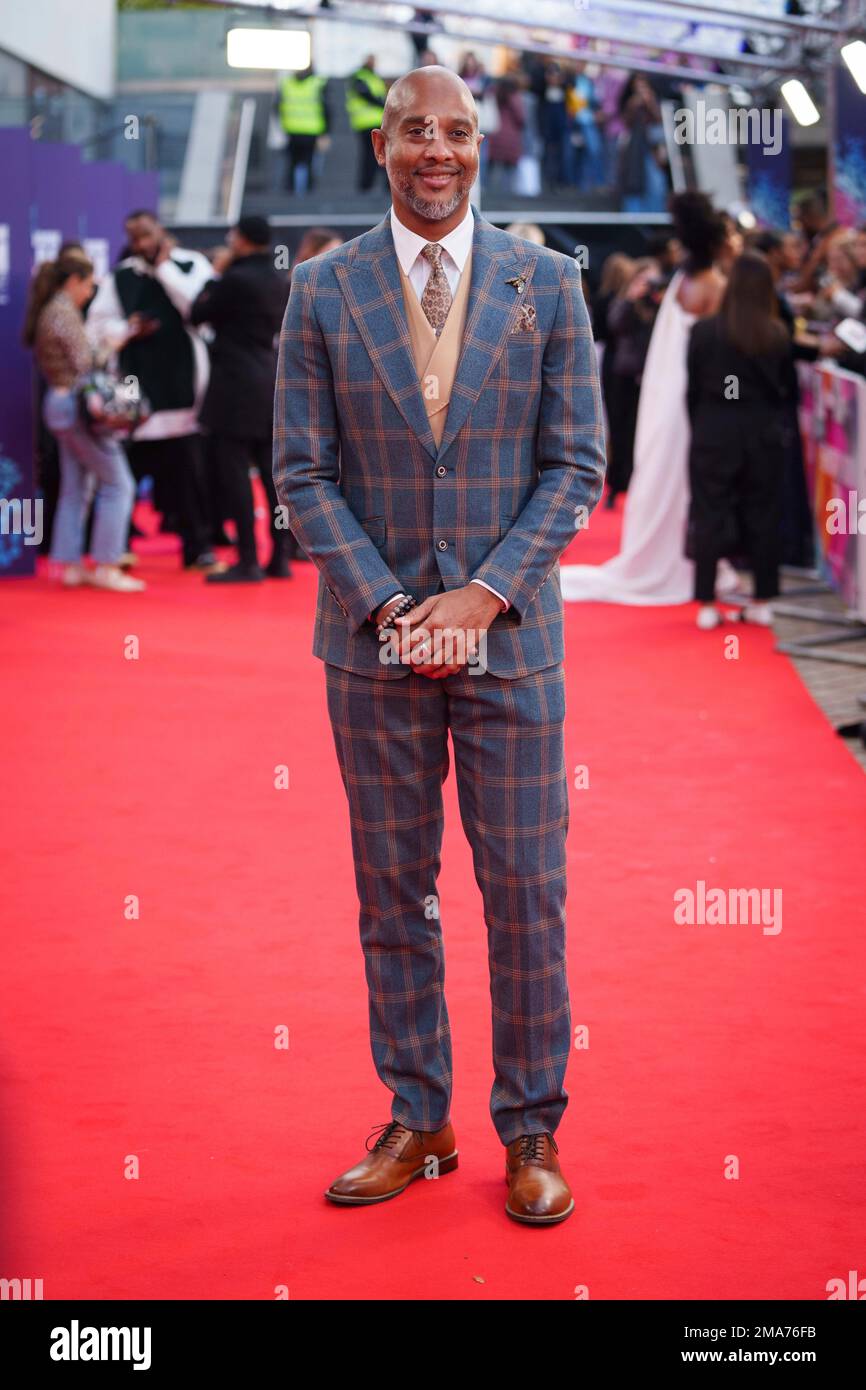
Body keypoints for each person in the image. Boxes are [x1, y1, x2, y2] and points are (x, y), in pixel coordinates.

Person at [273, 64, 606, 1224]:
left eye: (455, 131)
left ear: (481, 145)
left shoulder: (548, 283)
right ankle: (421, 1117)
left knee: (524, 892)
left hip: (510, 645)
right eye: (415, 129)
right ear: (379, 145)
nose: (436, 149)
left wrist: (478, 596)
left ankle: (531, 1126)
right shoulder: (320, 290)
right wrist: (388, 605)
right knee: (392, 896)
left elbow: (575, 469)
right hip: (370, 655)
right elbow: (301, 474)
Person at [561, 191, 732, 604]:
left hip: (672, 394)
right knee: (690, 477)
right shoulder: (713, 284)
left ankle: (686, 556)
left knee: (674, 474)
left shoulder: (681, 281)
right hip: (693, 397)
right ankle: (689, 559)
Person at [86, 211, 217, 572]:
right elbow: (96, 326)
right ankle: (118, 547)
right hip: (135, 389)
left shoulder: (191, 264)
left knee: (189, 475)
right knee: (126, 471)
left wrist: (164, 269)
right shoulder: (122, 275)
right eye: (134, 237)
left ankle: (198, 548)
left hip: (185, 386)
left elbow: (200, 307)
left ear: (160, 231)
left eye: (146, 235)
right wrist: (129, 328)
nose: (141, 243)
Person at [23, 250, 143, 592]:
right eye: (89, 285)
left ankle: (71, 565)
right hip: (76, 406)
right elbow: (86, 364)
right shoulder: (63, 313)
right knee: (119, 484)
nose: (90, 293)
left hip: (61, 405)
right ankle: (107, 564)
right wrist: (115, 340)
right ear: (74, 281)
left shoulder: (53, 311)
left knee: (77, 487)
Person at [686, 253, 793, 629]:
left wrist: (702, 426)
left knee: (709, 515)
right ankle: (762, 599)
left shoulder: (703, 332)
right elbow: (786, 392)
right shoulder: (777, 335)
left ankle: (706, 604)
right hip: (761, 434)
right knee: (763, 515)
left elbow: (693, 390)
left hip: (714, 433)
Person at [190, 216, 291, 583]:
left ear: (244, 240)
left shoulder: (233, 279)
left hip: (234, 387)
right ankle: (279, 559)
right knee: (272, 478)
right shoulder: (280, 281)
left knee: (235, 477)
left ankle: (247, 559)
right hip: (270, 382)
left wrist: (214, 276)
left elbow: (197, 313)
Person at [276, 63, 330, 195]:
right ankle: (308, 192)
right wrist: (325, 131)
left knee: (292, 162)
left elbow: (277, 107)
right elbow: (326, 109)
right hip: (312, 130)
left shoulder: (286, 83)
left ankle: (290, 191)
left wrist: (283, 125)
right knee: (309, 162)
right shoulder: (317, 83)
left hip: (292, 129)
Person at [345, 55, 387, 193]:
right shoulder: (360, 76)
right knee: (371, 155)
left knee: (377, 154)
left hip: (377, 122)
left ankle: (370, 185)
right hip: (365, 122)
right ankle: (366, 185)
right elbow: (367, 95)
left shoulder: (374, 77)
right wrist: (383, 104)